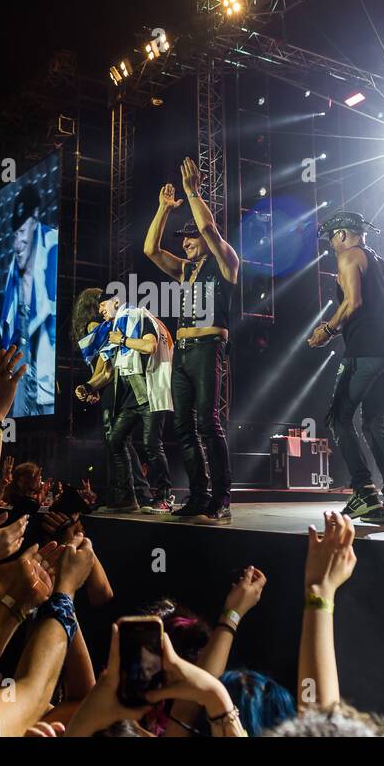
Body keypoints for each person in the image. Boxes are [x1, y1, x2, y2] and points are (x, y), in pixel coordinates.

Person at [143, 158, 238, 524]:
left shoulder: (225, 262)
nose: (186, 241)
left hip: (208, 348)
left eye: (189, 236)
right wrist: (163, 209)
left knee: (207, 424)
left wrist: (193, 192)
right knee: (182, 426)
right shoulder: (185, 270)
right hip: (182, 353)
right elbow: (151, 249)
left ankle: (222, 498)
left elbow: (210, 228)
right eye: (182, 237)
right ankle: (199, 495)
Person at [307, 211, 384, 523]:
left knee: (339, 419)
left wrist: (327, 329)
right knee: (373, 425)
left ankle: (364, 493)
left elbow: (353, 302)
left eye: (331, 240)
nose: (331, 247)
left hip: (364, 351)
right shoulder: (378, 260)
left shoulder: (349, 256)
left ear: (341, 235)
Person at [74, 287, 175, 514]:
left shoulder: (140, 316)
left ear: (116, 302)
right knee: (115, 440)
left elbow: (150, 346)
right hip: (131, 398)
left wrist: (124, 340)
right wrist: (88, 386)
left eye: (103, 305)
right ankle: (126, 497)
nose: (100, 310)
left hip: (149, 394)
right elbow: (107, 372)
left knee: (151, 446)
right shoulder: (114, 329)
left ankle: (165, 497)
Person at [0, 184, 57, 417]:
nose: (16, 243)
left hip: (46, 363)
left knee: (45, 408)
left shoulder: (52, 246)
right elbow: (9, 323)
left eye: (22, 232)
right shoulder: (14, 268)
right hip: (23, 357)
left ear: (36, 220)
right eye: (15, 234)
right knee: (18, 411)